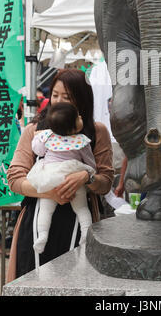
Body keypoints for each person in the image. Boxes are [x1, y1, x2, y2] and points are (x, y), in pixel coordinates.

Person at [6, 69, 114, 282]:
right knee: (34, 281)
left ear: (82, 99)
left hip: (78, 220)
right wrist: (49, 191)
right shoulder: (35, 131)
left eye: (67, 97)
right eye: (55, 95)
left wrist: (86, 177)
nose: (59, 101)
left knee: (76, 282)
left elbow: (106, 181)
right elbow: (15, 178)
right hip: (36, 222)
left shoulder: (97, 132)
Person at [27, 102, 96, 254]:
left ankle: (42, 236)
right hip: (74, 179)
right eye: (77, 117)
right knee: (82, 209)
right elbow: (90, 162)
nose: (81, 117)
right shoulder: (82, 141)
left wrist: (39, 139)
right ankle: (85, 235)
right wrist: (89, 171)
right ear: (73, 127)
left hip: (51, 178)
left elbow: (38, 151)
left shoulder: (47, 136)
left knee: (45, 210)